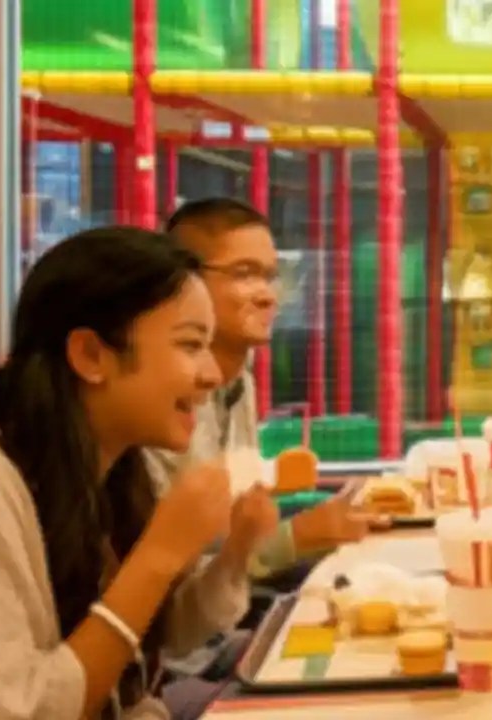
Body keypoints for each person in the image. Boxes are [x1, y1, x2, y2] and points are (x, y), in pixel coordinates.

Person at [0, 227, 278, 719]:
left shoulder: (113, 470)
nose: (211, 375)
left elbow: (160, 634)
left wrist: (235, 550)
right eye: (190, 344)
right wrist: (160, 554)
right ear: (91, 355)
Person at [148, 198, 383, 581]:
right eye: (244, 274)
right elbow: (174, 580)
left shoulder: (240, 381)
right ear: (183, 282)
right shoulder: (161, 403)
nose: (268, 296)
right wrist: (294, 539)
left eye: (270, 277)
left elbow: (234, 526)